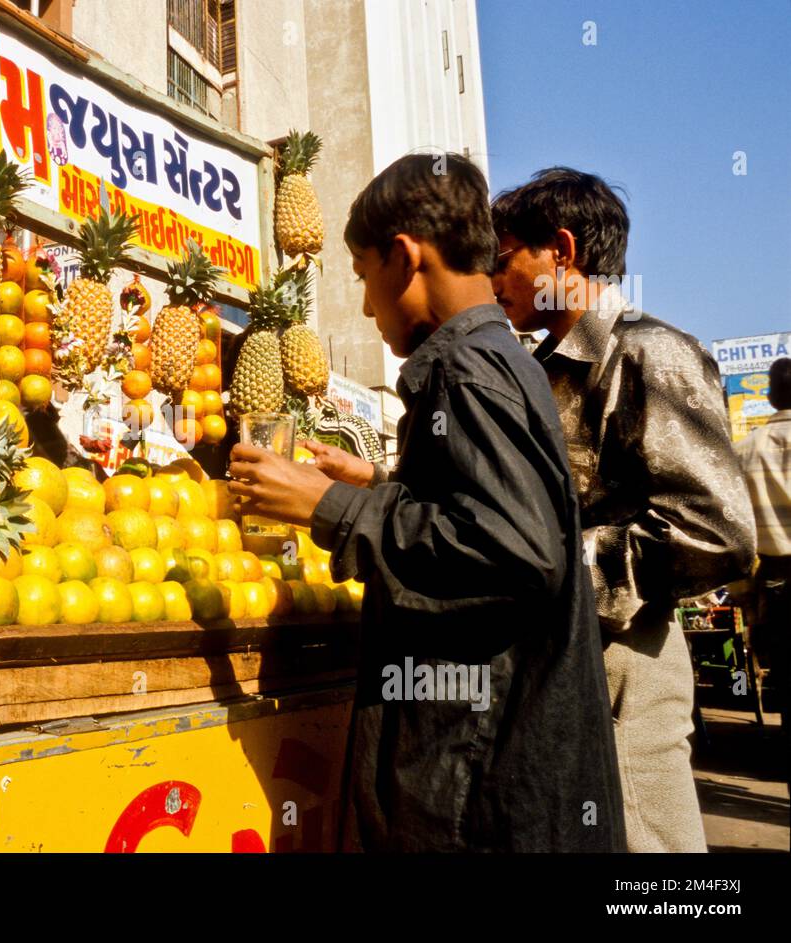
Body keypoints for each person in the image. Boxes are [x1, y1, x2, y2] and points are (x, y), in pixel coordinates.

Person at [229, 153, 625, 852]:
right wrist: (379, 489)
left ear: (405, 258)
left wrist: (333, 507)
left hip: (479, 799)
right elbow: (487, 511)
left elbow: (514, 551)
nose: (362, 306)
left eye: (362, 277)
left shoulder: (468, 370)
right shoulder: (500, 362)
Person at [491, 167, 757, 851]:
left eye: (504, 256)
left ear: (562, 250)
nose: (495, 278)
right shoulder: (544, 367)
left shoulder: (649, 353)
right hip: (567, 653)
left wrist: (566, 560)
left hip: (626, 657)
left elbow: (719, 530)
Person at [734, 357, 791, 736]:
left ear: (769, 397)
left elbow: (736, 535)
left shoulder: (744, 452)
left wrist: (743, 598)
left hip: (778, 588)